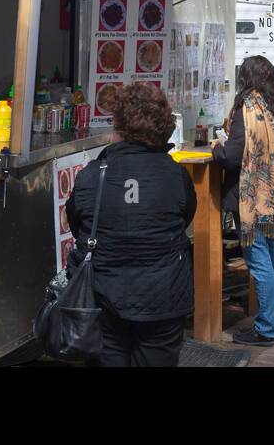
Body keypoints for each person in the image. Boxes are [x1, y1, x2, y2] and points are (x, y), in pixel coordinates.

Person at [65, 83, 196, 366]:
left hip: (103, 297)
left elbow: (78, 225)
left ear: (118, 126)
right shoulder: (176, 175)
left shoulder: (91, 175)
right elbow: (186, 218)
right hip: (164, 295)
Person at [212, 56, 274, 348]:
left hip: (249, 197)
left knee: (259, 264)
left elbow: (232, 155)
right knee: (272, 259)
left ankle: (266, 329)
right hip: (271, 194)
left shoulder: (247, 108)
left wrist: (216, 148)